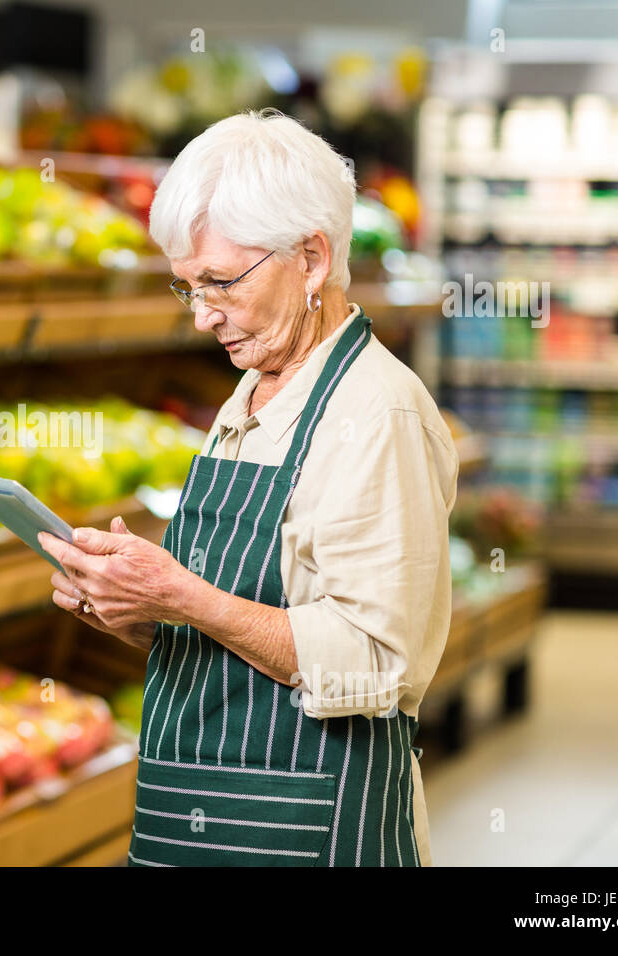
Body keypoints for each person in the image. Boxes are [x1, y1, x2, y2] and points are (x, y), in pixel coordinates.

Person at [38, 109, 458, 867]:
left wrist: (184, 597)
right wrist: (140, 611)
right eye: (187, 287)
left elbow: (372, 661)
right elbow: (247, 625)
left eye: (221, 282)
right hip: (198, 819)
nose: (202, 316)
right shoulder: (252, 395)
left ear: (313, 259)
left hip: (312, 829)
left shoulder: (376, 415)